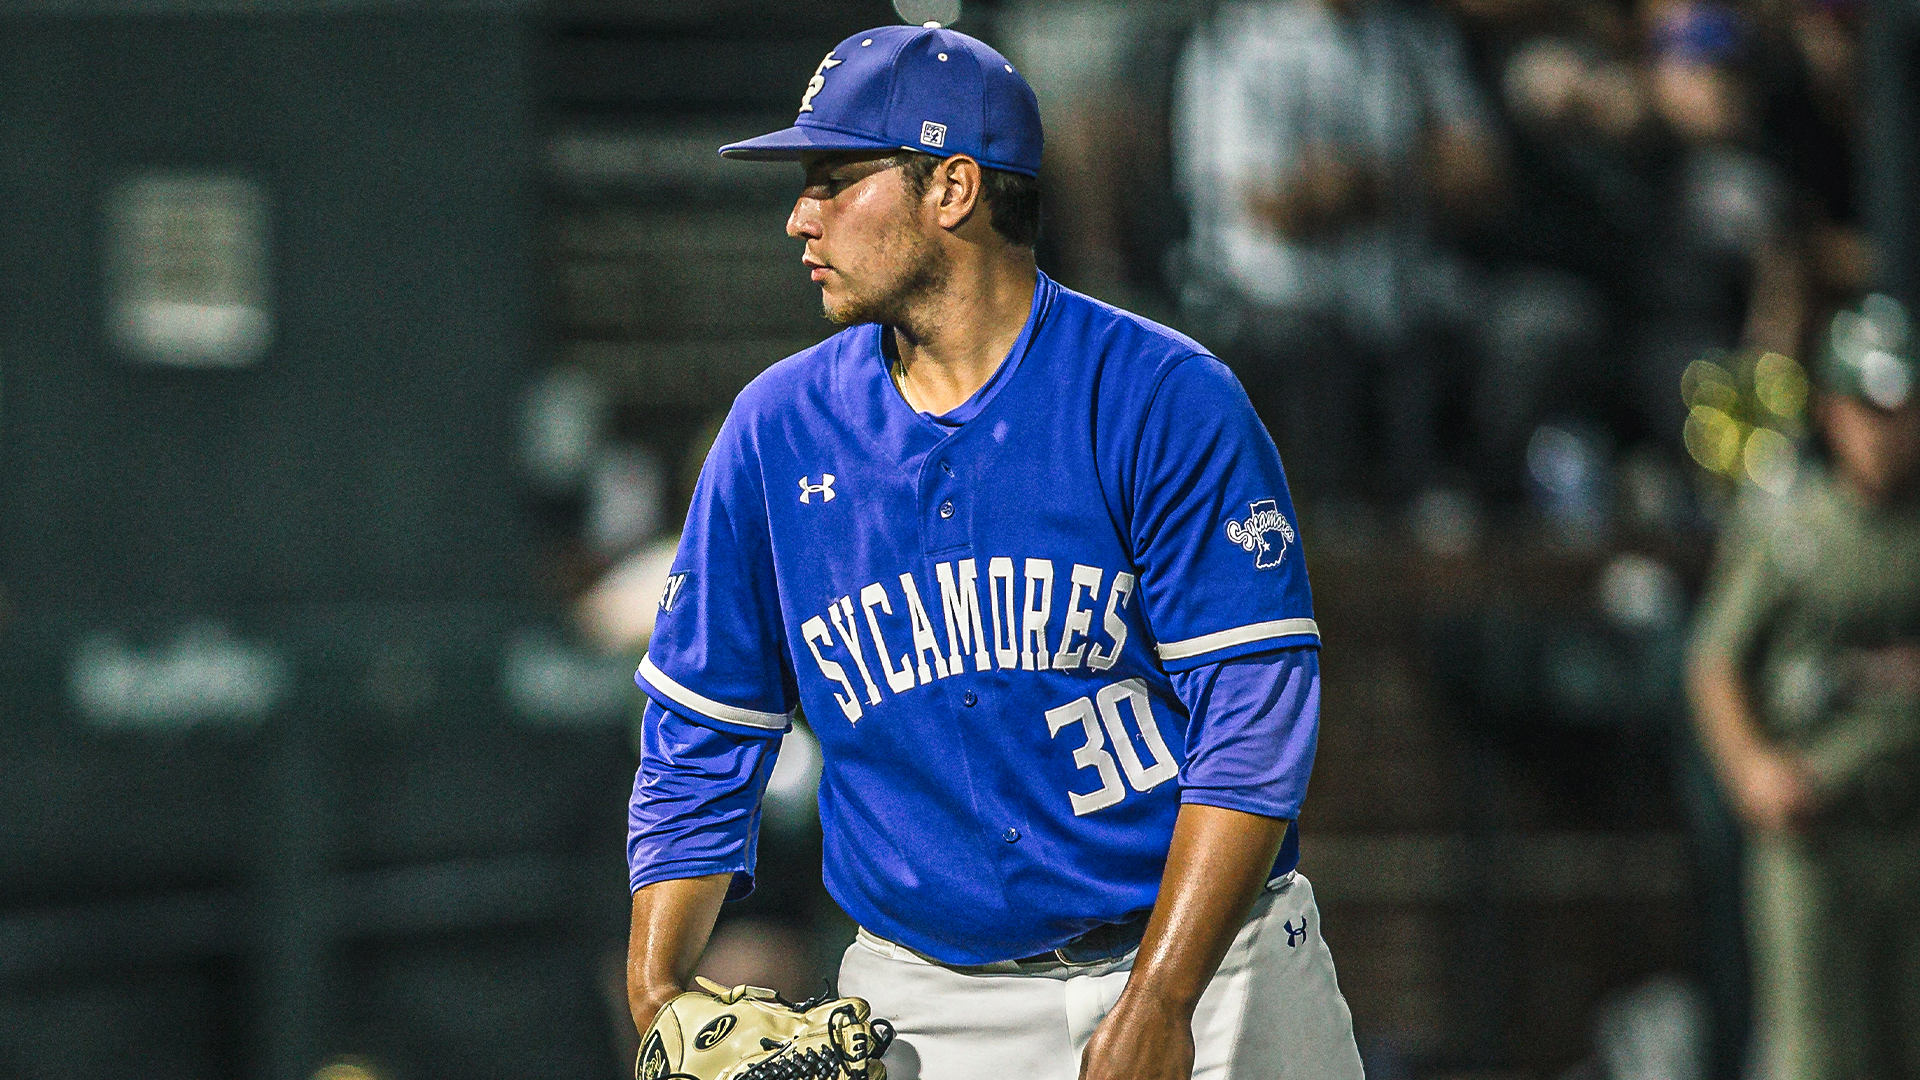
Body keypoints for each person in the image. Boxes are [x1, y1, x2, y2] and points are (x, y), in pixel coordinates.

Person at [623, 23, 1362, 1080]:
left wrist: (1162, 993)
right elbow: (699, 735)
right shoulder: (774, 432)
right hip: (930, 1003)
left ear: (954, 188)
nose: (801, 217)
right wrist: (657, 992)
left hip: (1216, 963)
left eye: (834, 180)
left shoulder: (1160, 397)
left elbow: (1254, 717)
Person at [1688, 295, 1920, 1080]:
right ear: (1832, 412)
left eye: (1902, 411)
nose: (1885, 432)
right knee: (1817, 1051)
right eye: (1868, 409)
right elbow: (1714, 660)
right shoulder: (1793, 527)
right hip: (1821, 826)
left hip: (1912, 816)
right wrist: (1751, 767)